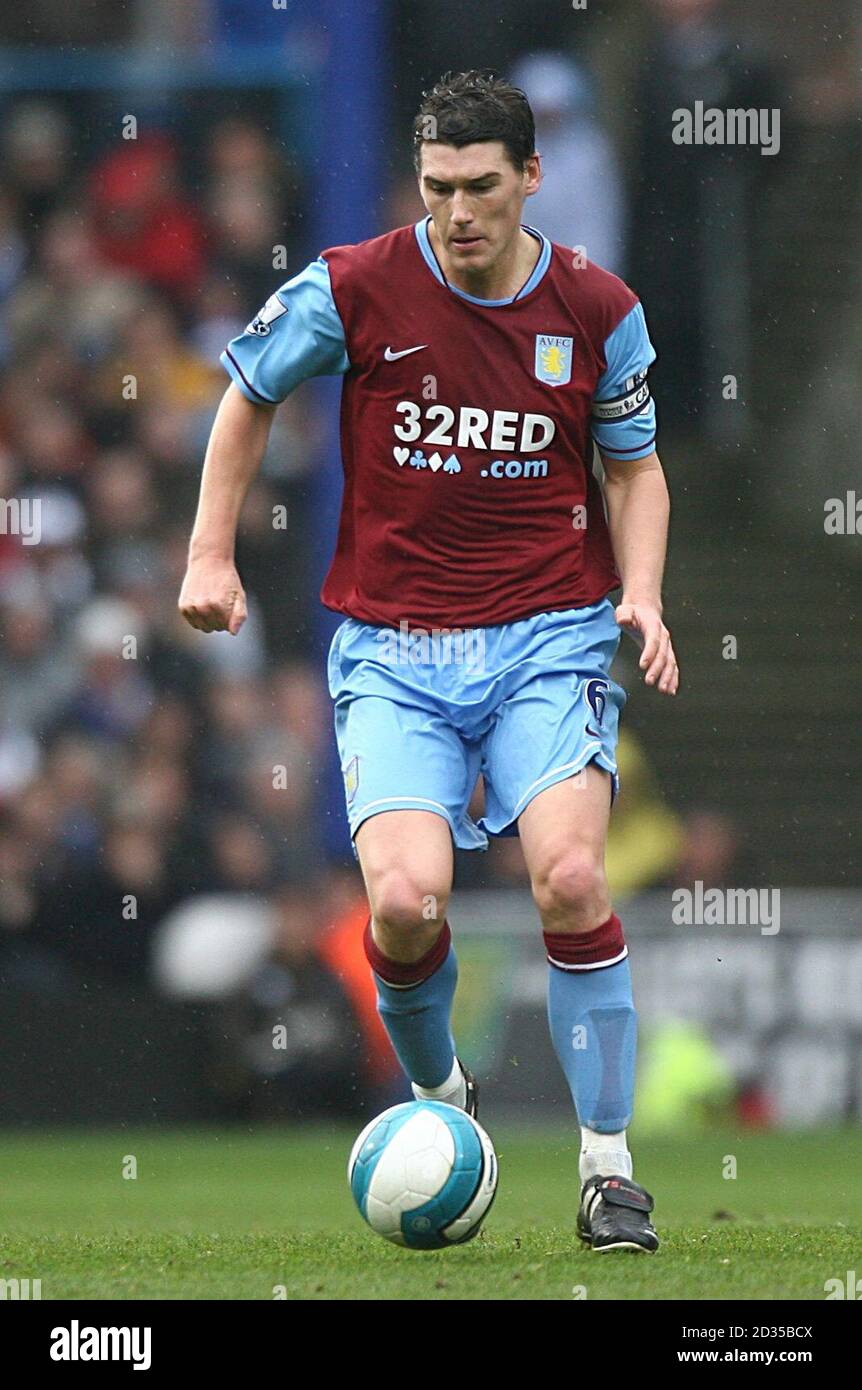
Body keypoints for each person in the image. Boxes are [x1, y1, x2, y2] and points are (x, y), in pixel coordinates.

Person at [179, 70, 678, 1253]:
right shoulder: (353, 287)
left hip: (549, 634)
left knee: (568, 879)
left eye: (482, 187)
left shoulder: (597, 309)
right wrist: (210, 556)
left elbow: (634, 467)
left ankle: (608, 1169)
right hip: (396, 650)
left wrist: (644, 594)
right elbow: (243, 396)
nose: (458, 212)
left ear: (530, 179)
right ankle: (443, 1105)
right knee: (403, 905)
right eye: (438, 186)